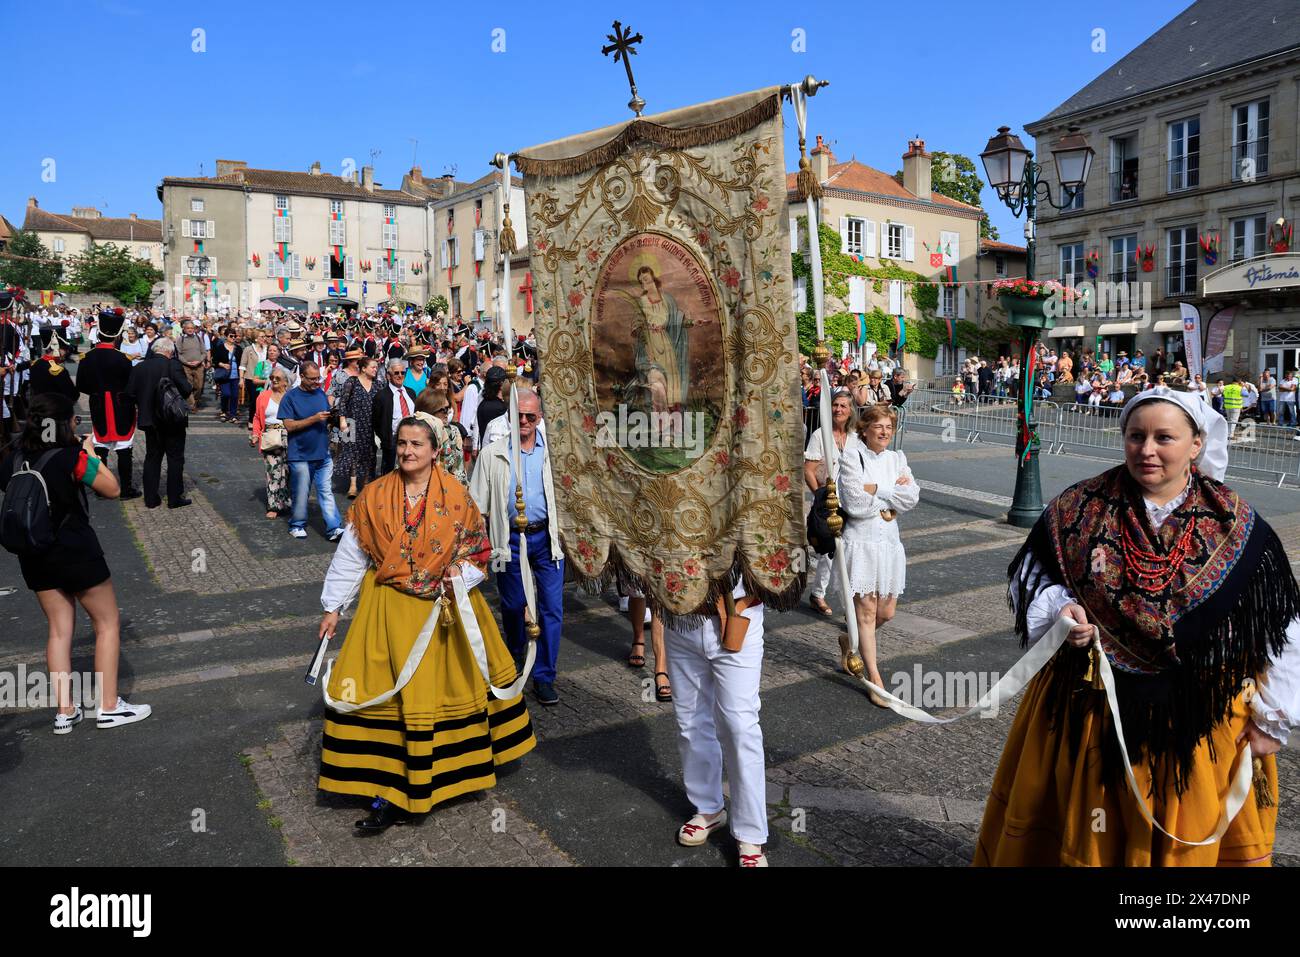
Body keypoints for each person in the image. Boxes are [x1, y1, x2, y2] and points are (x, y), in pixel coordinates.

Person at [979, 387, 1299, 866]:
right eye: (1136, 436)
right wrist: (1062, 612)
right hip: (1091, 707)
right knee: (1087, 830)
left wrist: (1275, 718)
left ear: (1195, 444)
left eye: (1164, 438)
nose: (1147, 450)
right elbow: (1037, 577)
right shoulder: (1080, 506)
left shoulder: (1235, 520)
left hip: (1201, 715)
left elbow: (1282, 625)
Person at [316, 413, 535, 831]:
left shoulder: (456, 497)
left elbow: (478, 552)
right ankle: (387, 789)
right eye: (402, 444)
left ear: (436, 451)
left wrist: (460, 575)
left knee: (439, 695)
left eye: (417, 445)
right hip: (386, 609)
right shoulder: (375, 496)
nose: (407, 451)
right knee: (384, 694)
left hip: (442, 614)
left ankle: (452, 774)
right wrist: (332, 607)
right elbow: (353, 553)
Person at [0, 393, 151, 732]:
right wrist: (90, 451)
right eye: (73, 420)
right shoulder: (71, 457)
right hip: (75, 551)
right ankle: (109, 706)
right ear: (63, 423)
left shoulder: (13, 458)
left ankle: (65, 711)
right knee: (107, 624)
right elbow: (111, 489)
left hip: (34, 554)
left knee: (58, 631)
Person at [469, 387, 565, 706]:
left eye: (530, 416)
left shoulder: (553, 453)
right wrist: (477, 550)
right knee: (512, 606)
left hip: (546, 538)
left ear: (539, 418)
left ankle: (544, 676)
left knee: (551, 608)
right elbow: (476, 506)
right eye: (518, 415)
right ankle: (513, 654)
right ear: (509, 417)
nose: (524, 421)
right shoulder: (492, 453)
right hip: (508, 539)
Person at [666, 576, 769, 866]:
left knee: (740, 728)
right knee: (690, 723)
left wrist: (745, 601)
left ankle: (751, 834)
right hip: (681, 620)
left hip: (738, 617)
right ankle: (709, 808)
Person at [835, 404, 919, 705]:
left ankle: (850, 639)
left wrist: (875, 488)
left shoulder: (898, 459)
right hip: (862, 543)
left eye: (888, 427)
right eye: (878, 426)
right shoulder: (851, 456)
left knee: (886, 613)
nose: (884, 432)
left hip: (889, 544)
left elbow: (911, 498)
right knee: (867, 612)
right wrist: (888, 497)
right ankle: (875, 679)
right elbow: (855, 504)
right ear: (865, 429)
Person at [75, 310, 140, 500]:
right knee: (124, 449)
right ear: (117, 335)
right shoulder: (123, 359)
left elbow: (81, 385)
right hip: (121, 407)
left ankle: (101, 488)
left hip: (99, 406)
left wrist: (97, 392)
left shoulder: (87, 358)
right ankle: (126, 489)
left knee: (100, 447)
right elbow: (130, 386)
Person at [277, 361, 344, 541]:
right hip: (300, 455)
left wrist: (332, 420)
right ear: (302, 377)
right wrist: (314, 419)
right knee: (301, 492)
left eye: (318, 378)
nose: (317, 382)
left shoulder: (320, 394)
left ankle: (334, 527)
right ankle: (297, 525)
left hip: (322, 453)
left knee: (326, 491)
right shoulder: (290, 397)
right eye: (312, 379)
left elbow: (324, 420)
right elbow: (289, 426)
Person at [804, 390, 856, 620]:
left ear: (851, 410)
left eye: (844, 406)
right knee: (829, 552)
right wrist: (820, 496)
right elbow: (809, 470)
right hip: (829, 503)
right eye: (835, 405)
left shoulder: (856, 436)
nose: (838, 410)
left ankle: (835, 600)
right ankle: (828, 600)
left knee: (847, 554)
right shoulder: (820, 434)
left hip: (853, 502)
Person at [126, 337, 192, 510]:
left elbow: (130, 393)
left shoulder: (140, 367)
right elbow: (186, 389)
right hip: (172, 420)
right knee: (175, 458)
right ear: (169, 351)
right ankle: (174, 497)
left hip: (150, 420)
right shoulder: (173, 365)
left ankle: (151, 498)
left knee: (152, 458)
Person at [251, 368, 292, 519]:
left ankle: (287, 502)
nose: (274, 380)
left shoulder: (291, 396)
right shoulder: (263, 396)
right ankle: (273, 505)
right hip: (270, 437)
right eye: (272, 377)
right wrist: (255, 434)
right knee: (273, 472)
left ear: (286, 382)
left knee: (288, 471)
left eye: (278, 378)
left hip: (289, 436)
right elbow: (256, 417)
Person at [373, 358, 417, 476]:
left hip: (412, 439)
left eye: (402, 373)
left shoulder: (411, 393)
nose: (400, 375)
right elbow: (376, 421)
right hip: (392, 441)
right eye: (396, 373)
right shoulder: (381, 396)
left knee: (410, 472)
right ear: (388, 375)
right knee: (390, 474)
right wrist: (385, 438)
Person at [211, 325, 241, 423]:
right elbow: (214, 361)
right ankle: (224, 410)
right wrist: (223, 364)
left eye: (235, 336)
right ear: (226, 336)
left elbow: (241, 362)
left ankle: (232, 414)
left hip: (235, 375)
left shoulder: (238, 348)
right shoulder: (220, 347)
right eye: (231, 336)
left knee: (235, 395)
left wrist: (242, 376)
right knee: (226, 394)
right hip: (224, 375)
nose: (233, 338)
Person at [176, 319, 207, 411]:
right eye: (188, 328)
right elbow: (178, 354)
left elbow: (204, 352)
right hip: (186, 366)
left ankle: (196, 400)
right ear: (184, 329)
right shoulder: (180, 339)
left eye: (192, 328)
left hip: (198, 365)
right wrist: (186, 362)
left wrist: (199, 361)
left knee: (199, 386)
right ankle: (192, 404)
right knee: (188, 385)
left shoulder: (198, 338)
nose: (190, 330)